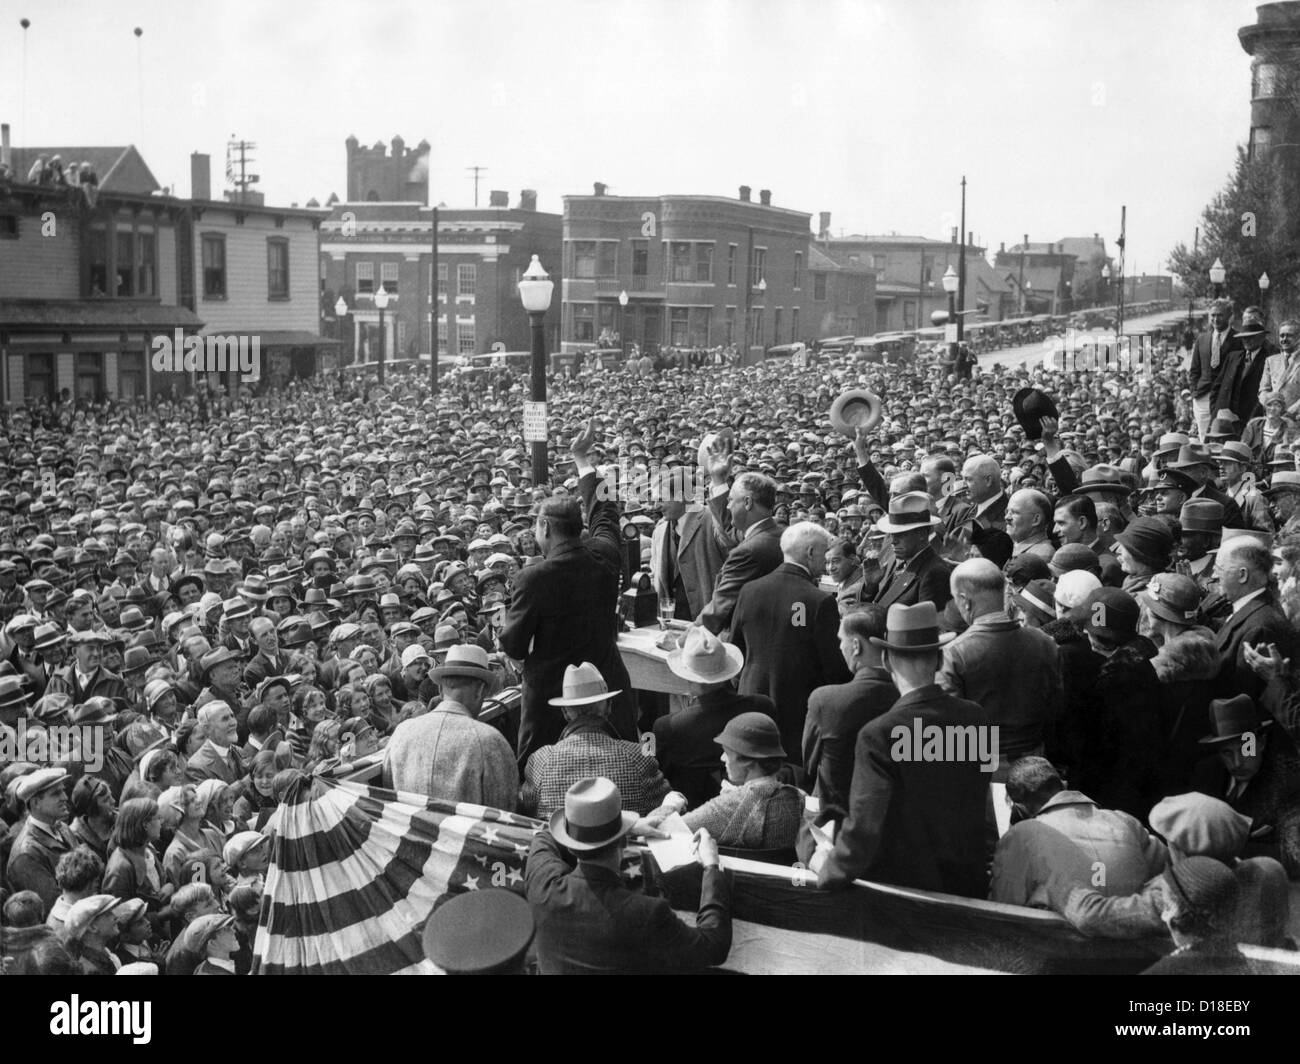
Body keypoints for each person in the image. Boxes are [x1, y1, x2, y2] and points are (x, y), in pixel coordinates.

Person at [812, 602, 991, 897]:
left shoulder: (878, 735)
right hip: (966, 885)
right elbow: (982, 800)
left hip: (904, 894)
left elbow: (863, 832)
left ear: (886, 660)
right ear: (939, 659)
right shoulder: (978, 718)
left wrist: (827, 867)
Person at [500, 420, 636, 763]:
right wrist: (582, 461)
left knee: (541, 781)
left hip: (551, 708)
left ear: (545, 527)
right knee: (623, 768)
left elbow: (513, 645)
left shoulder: (532, 578)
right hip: (608, 695)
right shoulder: (605, 555)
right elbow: (605, 514)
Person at [524, 776, 731, 974]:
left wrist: (610, 831)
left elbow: (544, 837)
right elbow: (713, 946)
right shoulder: (647, 914)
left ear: (570, 846)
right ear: (623, 841)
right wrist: (712, 866)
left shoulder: (542, 888)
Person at [729, 522, 851, 761]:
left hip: (751, 702)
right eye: (824, 552)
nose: (826, 561)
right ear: (810, 552)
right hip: (797, 713)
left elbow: (735, 651)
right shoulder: (819, 601)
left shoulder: (749, 590)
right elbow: (834, 668)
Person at [990, 757, 1167, 910]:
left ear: (1018, 802)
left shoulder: (1021, 834)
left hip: (1059, 936)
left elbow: (1004, 909)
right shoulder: (1125, 821)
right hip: (1132, 929)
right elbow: (1169, 871)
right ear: (1063, 784)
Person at [940, 559, 1062, 775]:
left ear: (965, 601)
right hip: (1037, 766)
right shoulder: (1045, 643)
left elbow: (949, 727)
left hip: (980, 771)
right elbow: (1055, 708)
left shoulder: (953, 654)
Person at [520, 662, 671, 819]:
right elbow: (664, 807)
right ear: (609, 707)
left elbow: (529, 811)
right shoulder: (639, 758)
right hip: (626, 835)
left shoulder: (540, 761)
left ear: (565, 713)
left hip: (559, 835)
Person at [653, 625, 775, 808]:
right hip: (755, 804)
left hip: (692, 810)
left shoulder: (666, 727)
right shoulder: (763, 706)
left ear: (688, 677)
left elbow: (653, 769)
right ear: (727, 671)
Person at [382, 645, 517, 809]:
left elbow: (389, 796)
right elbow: (505, 809)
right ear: (481, 690)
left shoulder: (401, 733)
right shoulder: (490, 741)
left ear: (440, 689)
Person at [652, 712, 804, 853]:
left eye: (727, 753)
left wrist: (670, 805)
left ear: (747, 762)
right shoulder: (799, 799)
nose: (722, 758)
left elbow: (655, 831)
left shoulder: (725, 808)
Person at [803, 605, 899, 814]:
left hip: (836, 819)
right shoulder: (905, 696)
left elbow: (809, 764)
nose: (839, 647)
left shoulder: (825, 700)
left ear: (856, 645)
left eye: (841, 640)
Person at [697, 462, 783, 635]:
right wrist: (717, 480)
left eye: (730, 500)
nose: (728, 506)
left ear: (748, 502)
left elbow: (719, 610)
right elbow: (729, 525)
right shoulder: (779, 534)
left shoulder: (748, 551)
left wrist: (682, 642)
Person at [1141, 857, 1265, 975]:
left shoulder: (1166, 970)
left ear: (1183, 916)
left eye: (1167, 907)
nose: (1163, 916)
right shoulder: (1239, 961)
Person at [1212, 536, 1296, 700]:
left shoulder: (1260, 627)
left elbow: (1241, 696)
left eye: (1219, 568)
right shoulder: (1251, 609)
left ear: (1242, 575)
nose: (1214, 575)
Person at [650, 463, 730, 620]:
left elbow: (730, 545)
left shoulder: (711, 520)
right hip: (670, 623)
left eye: (661, 499)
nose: (655, 506)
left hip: (708, 623)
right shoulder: (659, 531)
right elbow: (656, 576)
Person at [6, 768, 77, 913]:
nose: (65, 797)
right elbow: (54, 906)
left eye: (63, 791)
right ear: (36, 803)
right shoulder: (26, 854)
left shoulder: (62, 828)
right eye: (56, 793)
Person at [871, 492, 954, 610]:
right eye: (892, 535)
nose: (893, 541)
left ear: (921, 534)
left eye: (900, 534)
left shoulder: (935, 573)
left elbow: (928, 620)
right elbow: (878, 606)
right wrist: (870, 587)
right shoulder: (900, 562)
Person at [1213, 307, 1273, 427]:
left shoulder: (1270, 359)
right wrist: (1215, 411)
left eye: (1251, 336)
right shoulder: (1233, 357)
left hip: (1252, 421)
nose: (1246, 340)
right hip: (1226, 420)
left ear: (1261, 337)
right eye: (1244, 337)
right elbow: (1217, 387)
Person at [1189, 300, 1237, 440]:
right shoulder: (1202, 339)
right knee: (1204, 438)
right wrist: (1194, 390)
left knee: (1222, 436)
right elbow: (1194, 370)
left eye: (1220, 315)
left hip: (1226, 398)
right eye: (1213, 315)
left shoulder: (1238, 340)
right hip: (1202, 397)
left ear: (1230, 316)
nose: (1216, 319)